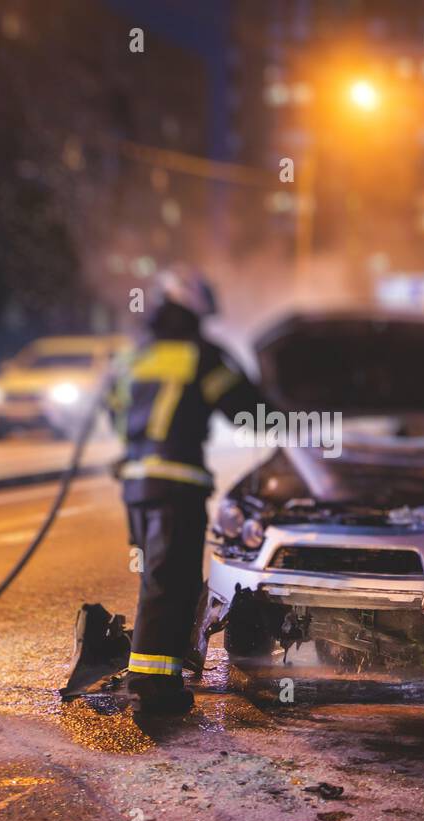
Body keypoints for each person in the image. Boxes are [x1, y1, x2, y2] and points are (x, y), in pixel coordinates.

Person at [108, 266, 265, 716]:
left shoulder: (137, 356)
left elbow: (113, 410)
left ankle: (160, 679)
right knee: (170, 583)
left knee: (158, 581)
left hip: (136, 485)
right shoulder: (203, 356)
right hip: (177, 484)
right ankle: (151, 689)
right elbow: (245, 412)